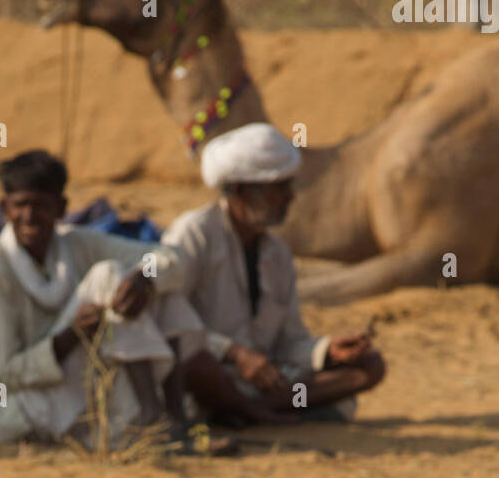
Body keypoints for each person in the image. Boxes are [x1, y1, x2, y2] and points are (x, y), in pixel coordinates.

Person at [0, 149, 209, 449]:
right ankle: (152, 425)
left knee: (153, 284)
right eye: (20, 205)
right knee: (106, 276)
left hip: (77, 385)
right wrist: (68, 338)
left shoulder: (77, 244)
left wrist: (146, 278)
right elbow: (3, 375)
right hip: (19, 398)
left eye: (41, 205)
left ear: (61, 208)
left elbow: (171, 258)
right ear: (4, 209)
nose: (30, 216)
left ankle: (172, 420)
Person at [162, 122, 385, 426]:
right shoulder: (194, 234)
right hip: (208, 375)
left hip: (263, 381)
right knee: (202, 370)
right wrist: (233, 353)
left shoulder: (278, 254)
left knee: (369, 367)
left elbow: (288, 343)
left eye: (288, 186)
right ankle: (252, 411)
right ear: (240, 189)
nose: (289, 197)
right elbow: (166, 317)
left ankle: (248, 410)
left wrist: (327, 350)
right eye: (277, 188)